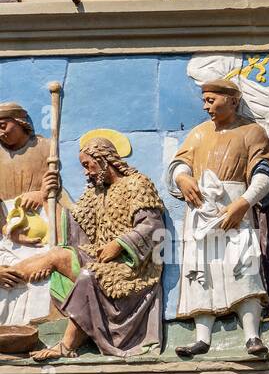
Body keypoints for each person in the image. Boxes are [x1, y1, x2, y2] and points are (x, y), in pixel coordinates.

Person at [3, 137, 165, 361]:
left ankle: (66, 346)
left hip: (134, 268)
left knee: (89, 277)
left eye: (88, 165)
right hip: (101, 257)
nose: (86, 172)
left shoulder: (137, 185)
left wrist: (118, 244)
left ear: (103, 160)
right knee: (59, 254)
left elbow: (153, 227)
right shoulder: (97, 192)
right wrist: (50, 193)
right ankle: (7, 274)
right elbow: (73, 221)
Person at [168, 78, 269, 359]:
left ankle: (252, 335)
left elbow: (265, 171)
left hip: (234, 204)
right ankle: (202, 338)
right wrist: (182, 177)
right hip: (200, 209)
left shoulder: (251, 131)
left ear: (232, 100)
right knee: (200, 272)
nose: (206, 106)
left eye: (211, 100)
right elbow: (180, 164)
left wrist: (243, 203)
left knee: (241, 266)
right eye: (204, 100)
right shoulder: (198, 134)